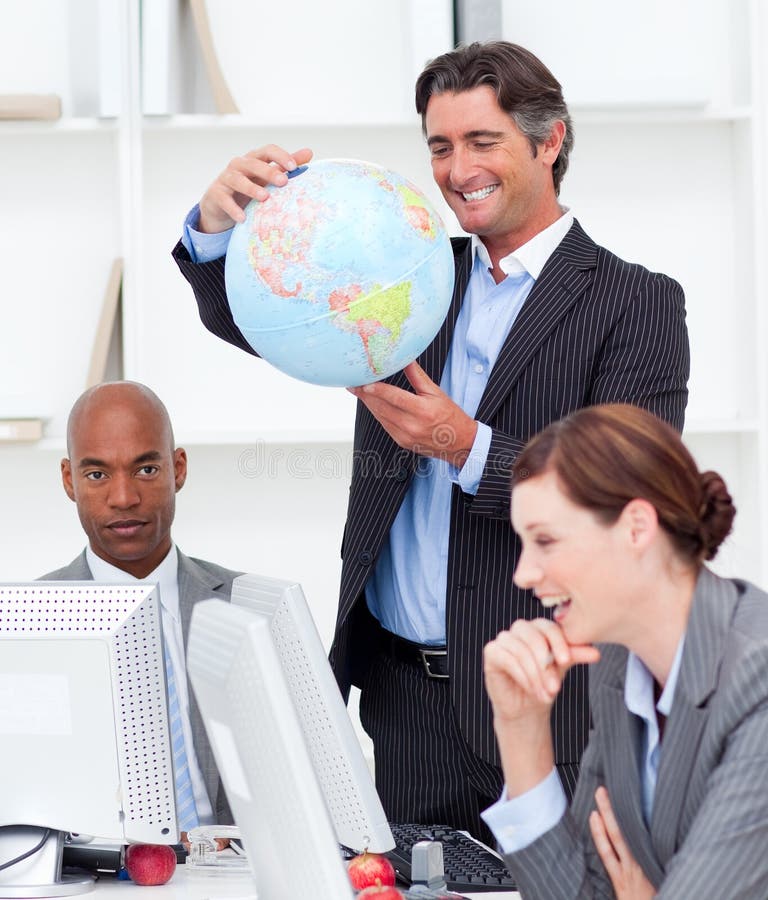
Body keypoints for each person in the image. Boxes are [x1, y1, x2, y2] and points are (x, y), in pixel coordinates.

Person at [171, 41, 690, 840]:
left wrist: (466, 446)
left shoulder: (635, 303)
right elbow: (264, 322)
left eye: (482, 143)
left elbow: (631, 503)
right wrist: (214, 228)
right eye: (440, 147)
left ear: (549, 142)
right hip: (401, 699)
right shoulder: (405, 274)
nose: (456, 170)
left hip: (546, 699)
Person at [479, 403, 768, 898]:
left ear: (637, 527)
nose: (523, 575)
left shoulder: (756, 676)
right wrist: (520, 727)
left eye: (545, 540)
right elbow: (581, 891)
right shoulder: (621, 662)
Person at [41, 381, 240, 839]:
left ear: (179, 468)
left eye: (146, 469)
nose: (124, 498)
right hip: (93, 877)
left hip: (230, 874)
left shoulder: (246, 606)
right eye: (97, 475)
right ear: (69, 480)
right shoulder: (28, 624)